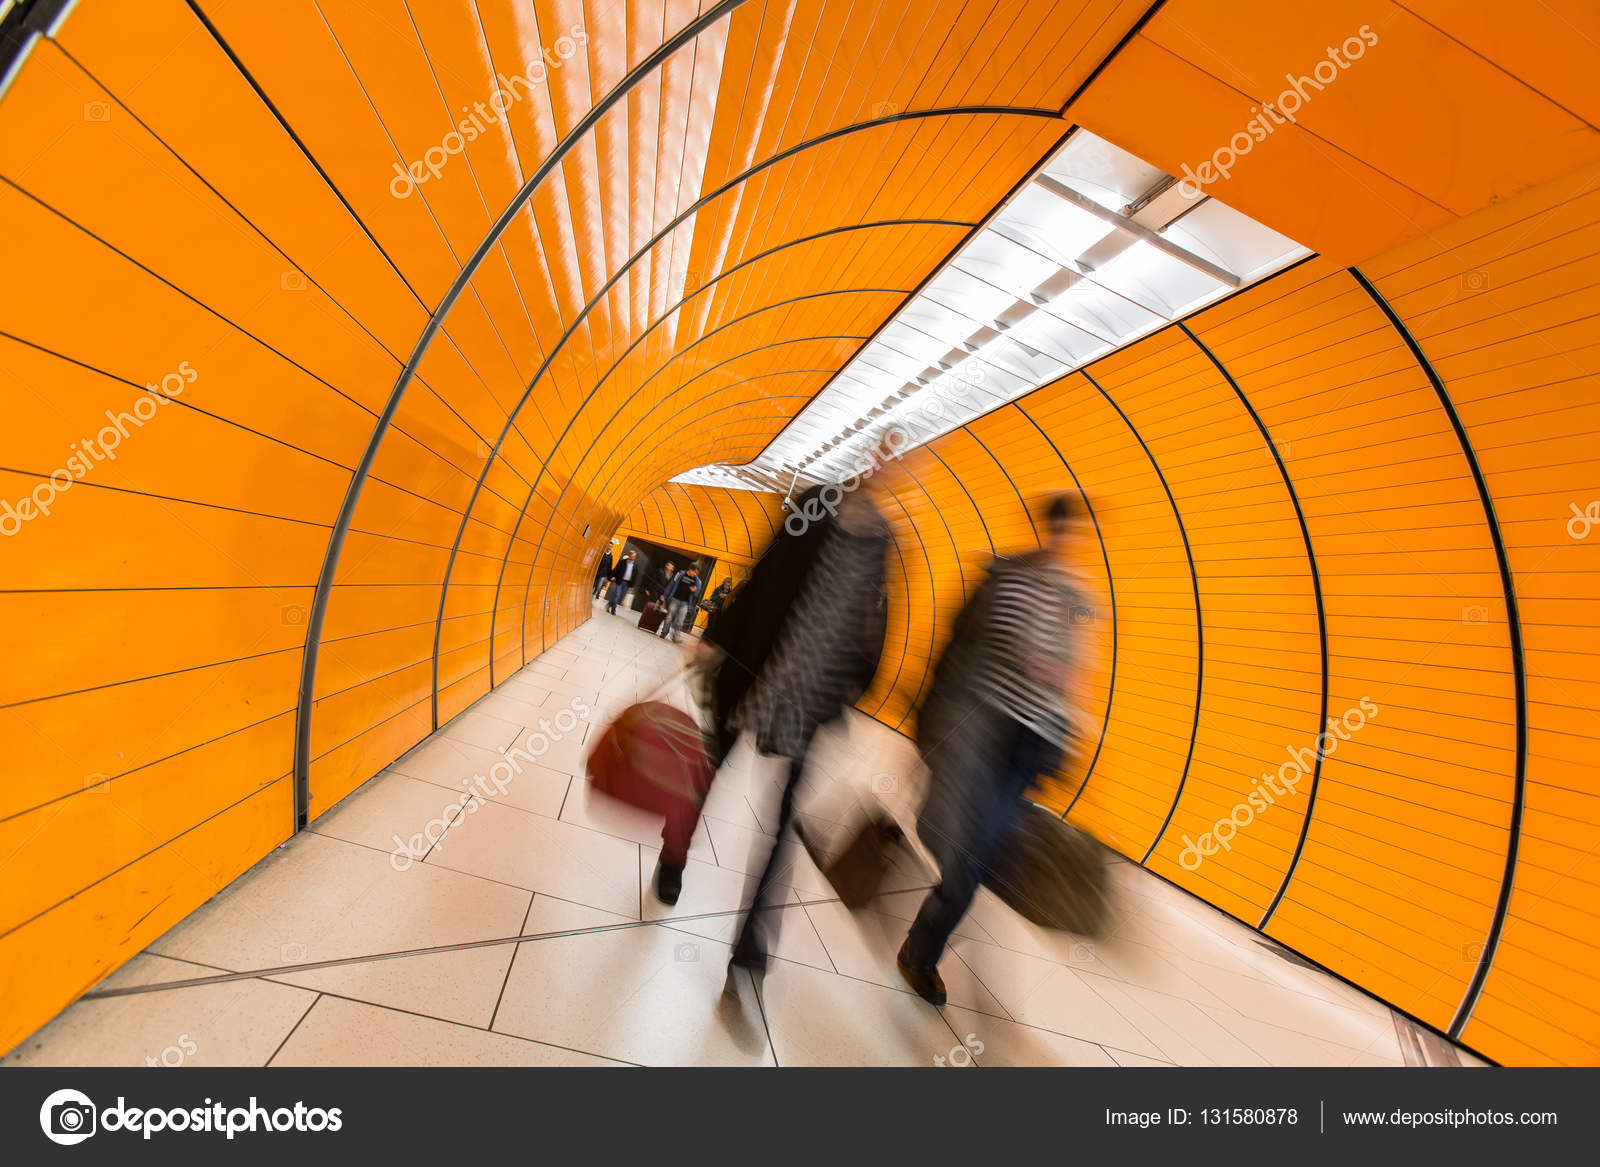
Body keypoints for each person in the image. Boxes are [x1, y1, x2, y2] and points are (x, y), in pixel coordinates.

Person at [670, 480, 892, 973]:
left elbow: (876, 616)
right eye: (889, 453)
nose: (896, 467)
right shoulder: (817, 505)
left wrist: (860, 678)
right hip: (756, 671)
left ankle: (754, 935)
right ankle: (675, 850)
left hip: (812, 699)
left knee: (782, 818)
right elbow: (765, 576)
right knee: (711, 772)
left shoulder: (884, 539)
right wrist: (718, 638)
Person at [897, 493, 1085, 1006]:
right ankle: (921, 951)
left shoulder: (1075, 597)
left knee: (978, 857)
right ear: (1048, 529)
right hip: (982, 731)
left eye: (1077, 534)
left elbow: (1071, 677)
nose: (1068, 542)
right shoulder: (1007, 579)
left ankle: (924, 942)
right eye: (1063, 530)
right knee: (968, 858)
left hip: (1027, 747)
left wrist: (1063, 733)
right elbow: (966, 647)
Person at [660, 565, 702, 642]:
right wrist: (665, 595)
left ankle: (675, 637)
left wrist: (694, 591)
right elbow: (671, 585)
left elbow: (697, 593)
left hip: (685, 603)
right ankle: (664, 633)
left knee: (680, 620)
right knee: (669, 617)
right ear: (690, 569)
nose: (695, 574)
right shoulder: (680, 574)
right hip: (675, 599)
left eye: (697, 573)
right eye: (694, 572)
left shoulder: (697, 581)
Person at [605, 550, 638, 615]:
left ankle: (609, 604)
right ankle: (613, 610)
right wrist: (612, 576)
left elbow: (634, 576)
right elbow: (616, 569)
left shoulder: (635, 566)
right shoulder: (622, 562)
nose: (632, 558)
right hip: (620, 581)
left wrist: (632, 586)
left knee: (619, 596)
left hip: (627, 583)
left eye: (634, 557)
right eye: (631, 556)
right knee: (617, 595)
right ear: (629, 555)